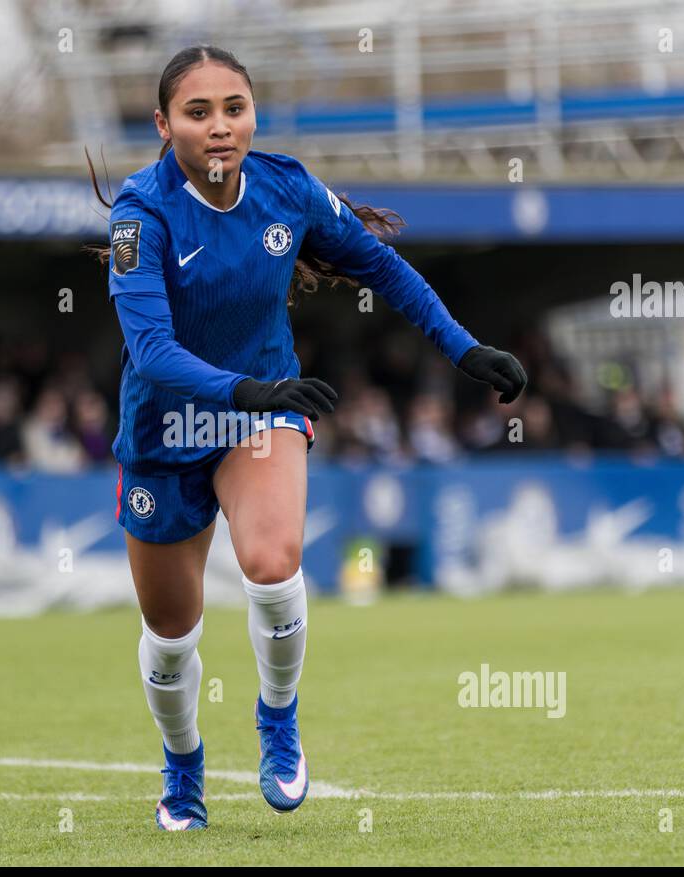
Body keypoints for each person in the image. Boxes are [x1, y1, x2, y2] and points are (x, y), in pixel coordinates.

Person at [87, 45, 526, 831]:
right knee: (170, 634)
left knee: (271, 561)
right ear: (163, 125)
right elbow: (152, 352)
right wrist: (246, 390)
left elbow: (382, 266)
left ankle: (277, 721)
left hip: (263, 410)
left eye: (235, 108)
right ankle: (183, 765)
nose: (220, 127)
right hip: (167, 428)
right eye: (198, 112)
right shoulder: (139, 215)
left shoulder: (287, 187)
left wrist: (465, 349)